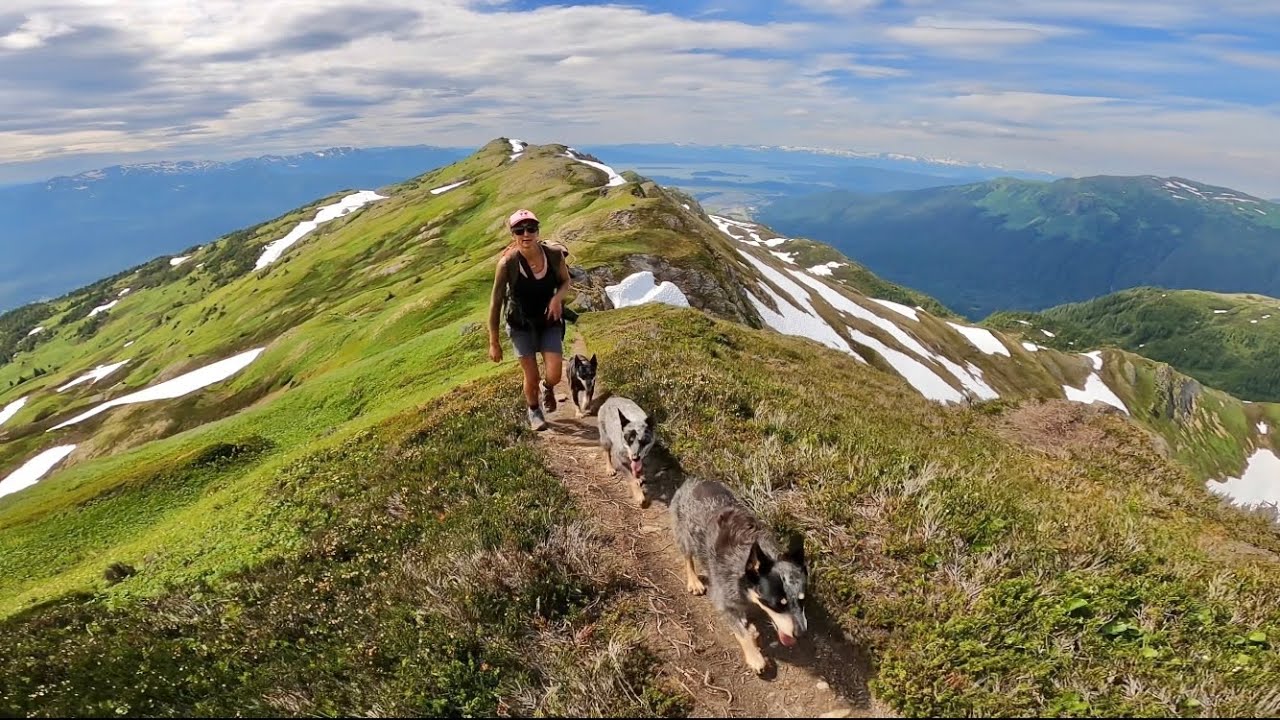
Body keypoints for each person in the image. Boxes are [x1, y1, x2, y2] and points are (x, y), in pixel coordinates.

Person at [488, 209, 572, 430]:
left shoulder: (554, 255)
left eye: (531, 228)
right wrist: (494, 342)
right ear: (513, 234)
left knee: (554, 372)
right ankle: (534, 410)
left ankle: (549, 387)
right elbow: (495, 303)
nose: (526, 234)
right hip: (520, 324)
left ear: (537, 231)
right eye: (519, 230)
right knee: (531, 375)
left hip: (548, 320)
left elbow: (566, 282)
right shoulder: (507, 264)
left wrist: (556, 299)